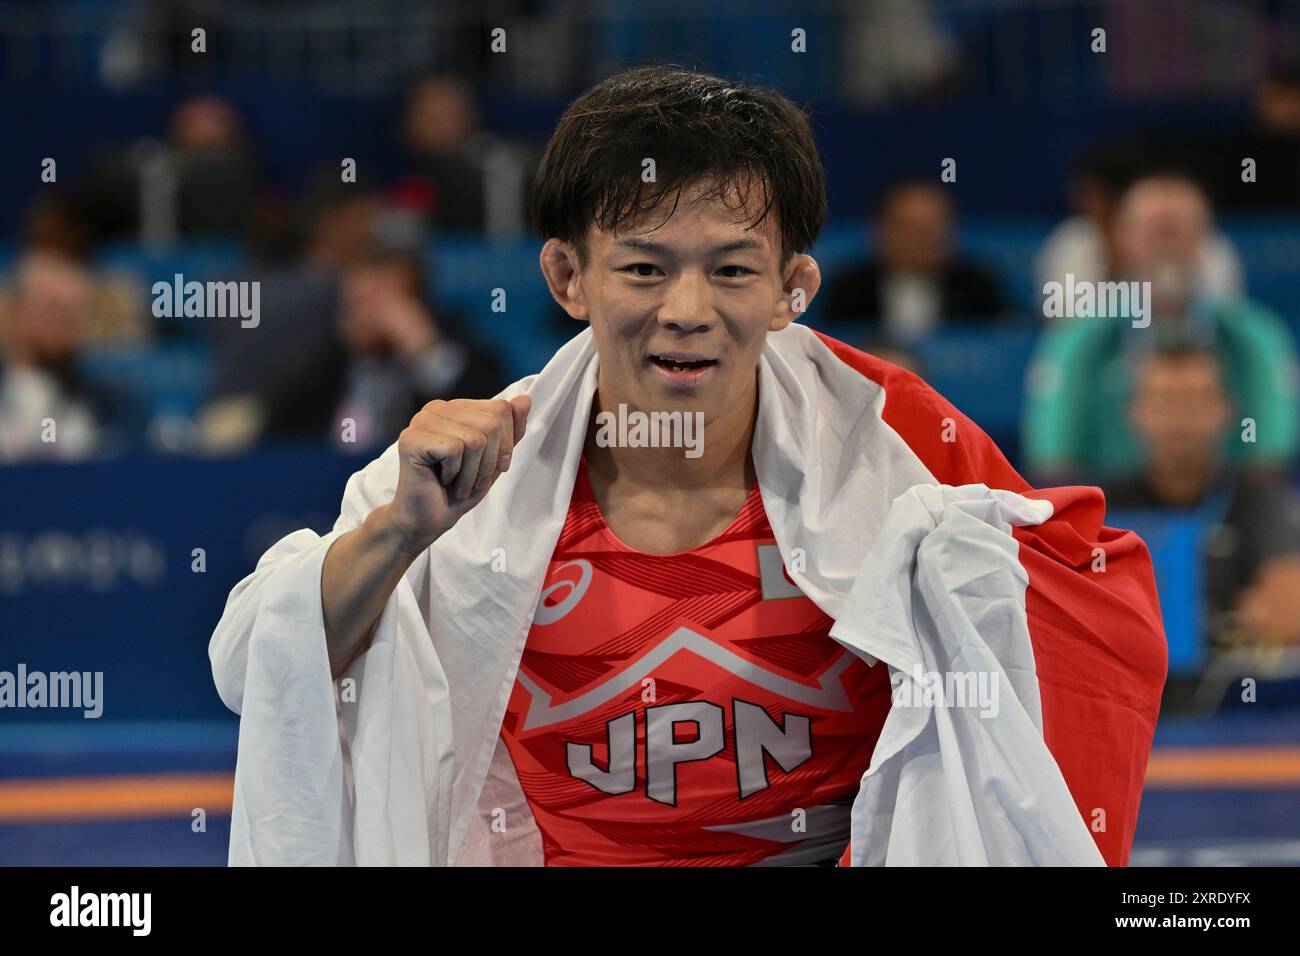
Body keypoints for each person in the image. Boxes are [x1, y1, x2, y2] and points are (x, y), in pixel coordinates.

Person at [210, 66, 1165, 868]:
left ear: (794, 288)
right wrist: (398, 535)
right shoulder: (471, 476)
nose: (688, 309)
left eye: (734, 270)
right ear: (566, 279)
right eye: (643, 268)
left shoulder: (893, 445)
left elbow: (1083, 590)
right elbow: (256, 664)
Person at [1024, 172, 1299, 482]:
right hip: (1110, 511)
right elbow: (1053, 460)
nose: (1167, 245)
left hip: (1229, 507)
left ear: (1206, 241)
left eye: (1181, 229)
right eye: (1153, 230)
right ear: (1120, 239)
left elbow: (1271, 458)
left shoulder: (1254, 336)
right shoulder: (1080, 338)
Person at [1106, 347, 1300, 681]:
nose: (1179, 418)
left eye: (1194, 402)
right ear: (1136, 412)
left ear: (1225, 410)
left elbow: (1289, 611)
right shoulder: (1104, 507)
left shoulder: (1259, 501)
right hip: (1123, 690)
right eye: (1164, 402)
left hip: (1229, 708)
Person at [819, 179, 1008, 343]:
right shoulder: (848, 290)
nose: (920, 240)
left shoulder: (979, 288)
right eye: (908, 228)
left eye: (931, 229)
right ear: (879, 230)